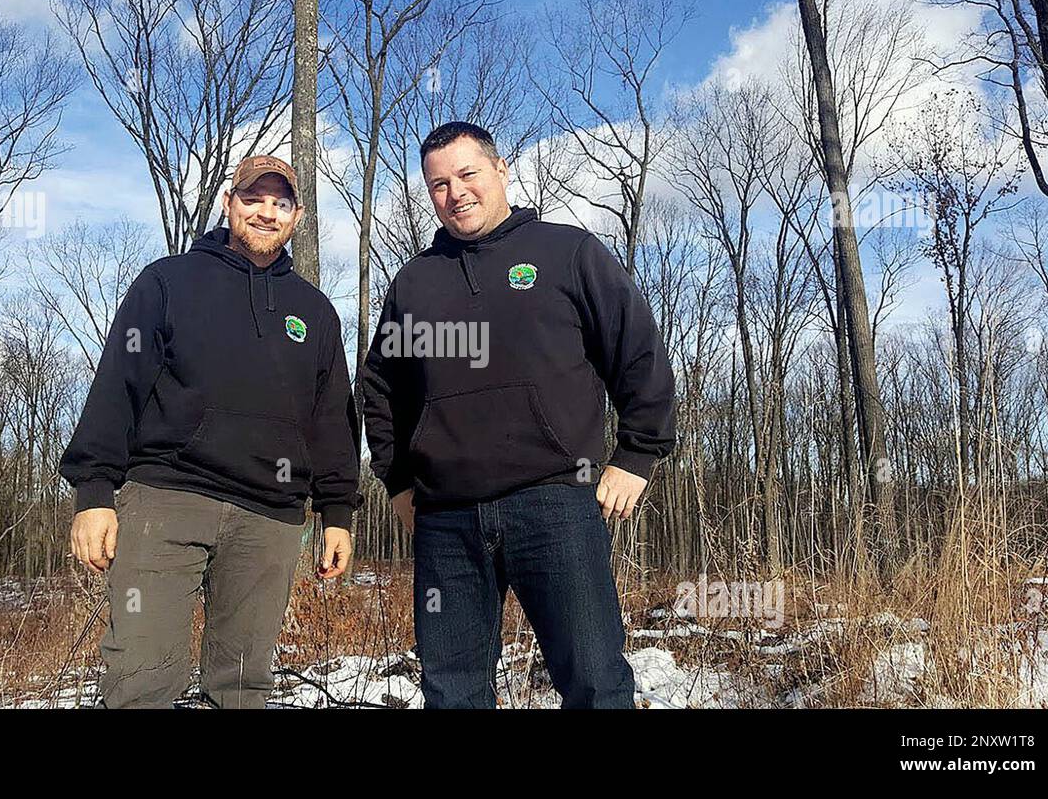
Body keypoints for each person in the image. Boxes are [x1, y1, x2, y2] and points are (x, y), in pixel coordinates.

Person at [361, 122, 676, 708]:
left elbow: (638, 353)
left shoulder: (568, 253)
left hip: (555, 502)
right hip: (447, 519)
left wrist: (637, 454)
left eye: (467, 174)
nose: (454, 193)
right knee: (452, 693)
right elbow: (380, 388)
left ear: (501, 170)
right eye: (438, 185)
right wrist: (399, 480)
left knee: (593, 681)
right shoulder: (414, 283)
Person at [60, 155, 360, 708]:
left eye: (281, 203)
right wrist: (94, 492)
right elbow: (117, 384)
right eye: (254, 199)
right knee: (142, 678)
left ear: (296, 216)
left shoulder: (314, 313)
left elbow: (331, 419)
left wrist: (336, 513)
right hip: (167, 499)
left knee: (242, 687)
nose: (267, 212)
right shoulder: (168, 282)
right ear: (230, 204)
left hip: (270, 517)